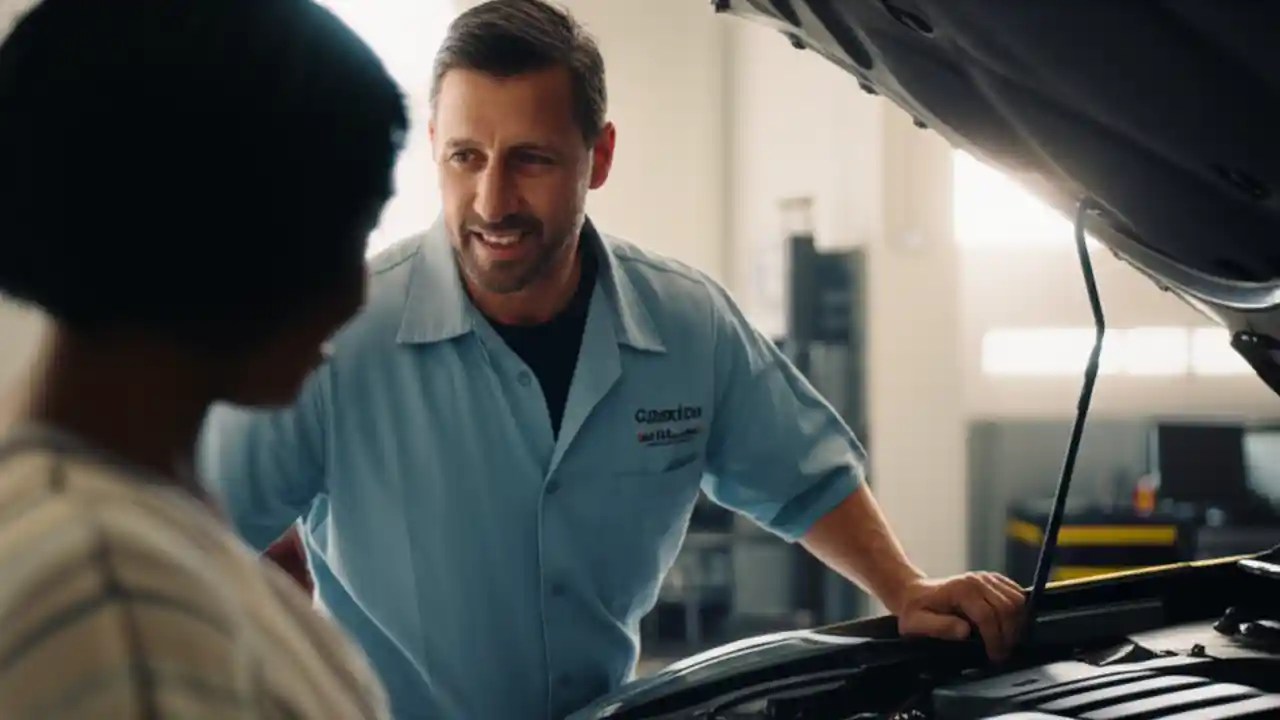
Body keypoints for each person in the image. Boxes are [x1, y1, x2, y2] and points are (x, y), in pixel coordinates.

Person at [198, 0, 1027, 717]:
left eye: (530, 159)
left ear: (598, 157)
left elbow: (805, 477)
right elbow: (189, 530)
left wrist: (904, 586)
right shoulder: (334, 333)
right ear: (436, 148)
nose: (492, 200)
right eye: (466, 157)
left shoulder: (687, 325)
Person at [0, 0, 408, 716]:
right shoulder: (112, 600)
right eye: (345, 235)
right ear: (216, 232)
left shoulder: (126, 531)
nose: (354, 294)